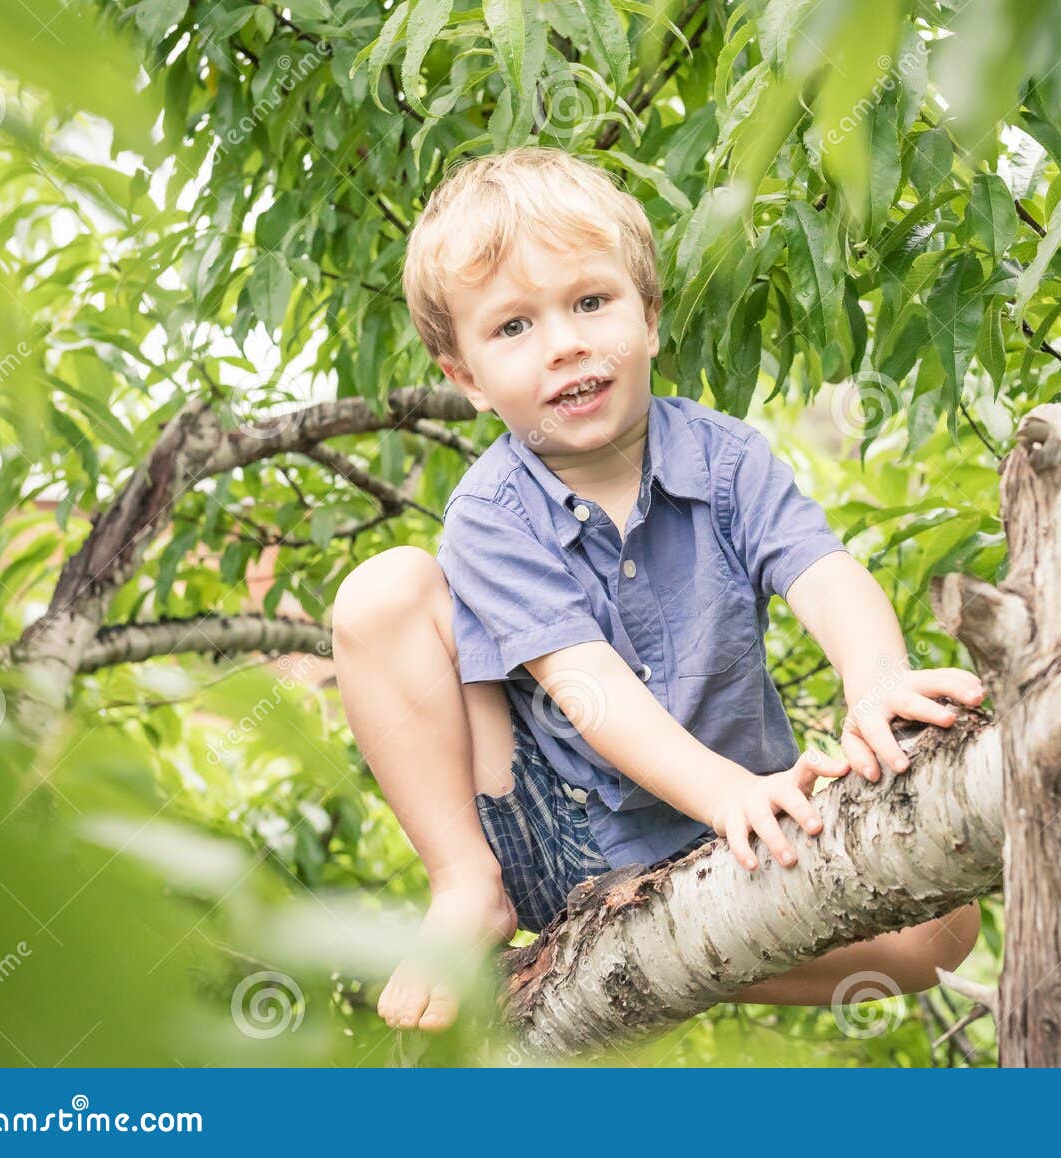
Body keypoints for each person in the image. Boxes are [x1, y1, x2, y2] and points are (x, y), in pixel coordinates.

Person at [333, 147, 983, 1033]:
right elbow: (585, 685)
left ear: (648, 316)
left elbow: (825, 574)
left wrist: (876, 685)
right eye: (513, 326)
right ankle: (464, 886)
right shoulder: (491, 513)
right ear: (468, 379)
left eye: (590, 302)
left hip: (727, 833)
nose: (564, 343)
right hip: (555, 831)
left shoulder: (727, 459)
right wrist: (725, 792)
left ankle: (679, 947)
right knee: (385, 591)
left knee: (943, 931)